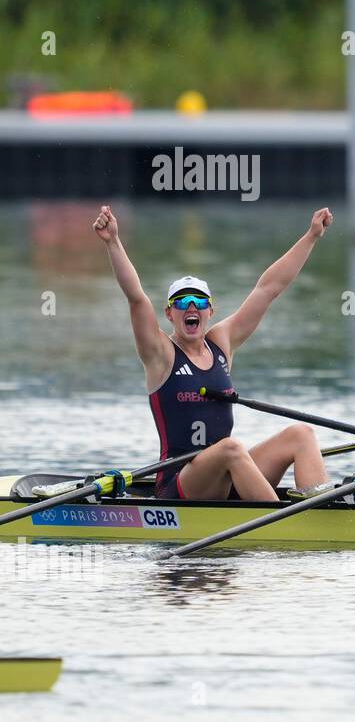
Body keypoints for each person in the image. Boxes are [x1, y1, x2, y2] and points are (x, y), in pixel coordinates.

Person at [93, 205, 335, 501]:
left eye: (199, 301)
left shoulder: (222, 342)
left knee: (301, 435)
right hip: (179, 484)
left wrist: (311, 236)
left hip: (226, 473)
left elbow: (268, 288)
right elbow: (136, 298)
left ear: (210, 310)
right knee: (231, 448)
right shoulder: (161, 354)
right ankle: (284, 524)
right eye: (181, 302)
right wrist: (113, 241)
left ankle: (320, 510)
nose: (191, 307)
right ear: (169, 314)